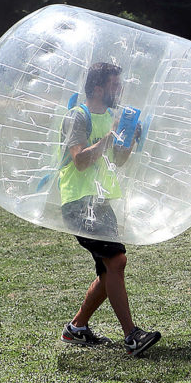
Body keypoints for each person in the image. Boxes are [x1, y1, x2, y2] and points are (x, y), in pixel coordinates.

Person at [58, 61, 161, 356]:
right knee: (116, 262)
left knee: (109, 270)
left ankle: (77, 327)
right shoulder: (78, 117)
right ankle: (131, 336)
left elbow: (117, 160)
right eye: (116, 85)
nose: (121, 90)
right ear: (99, 88)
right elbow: (79, 160)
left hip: (100, 201)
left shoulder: (112, 117)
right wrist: (110, 137)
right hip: (79, 203)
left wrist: (128, 139)